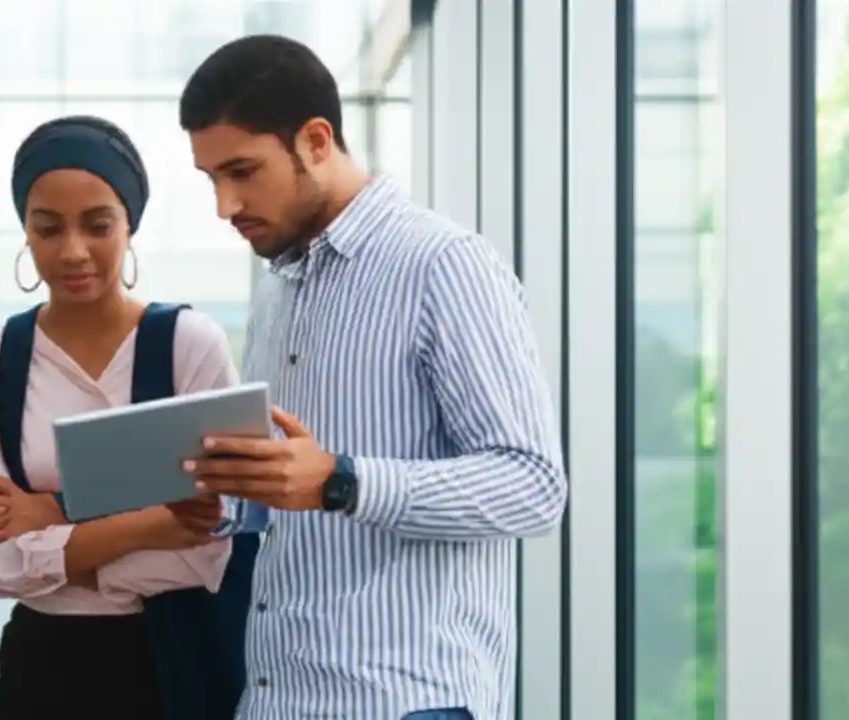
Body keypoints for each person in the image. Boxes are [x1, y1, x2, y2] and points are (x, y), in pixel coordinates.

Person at [174, 35, 569, 719]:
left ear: (317, 140)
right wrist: (223, 504)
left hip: (406, 701)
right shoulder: (278, 286)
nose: (225, 204)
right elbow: (289, 487)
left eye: (243, 171)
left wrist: (341, 480)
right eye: (211, 178)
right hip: (279, 699)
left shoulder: (445, 266)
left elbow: (533, 486)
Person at [0, 115, 256, 719]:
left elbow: (218, 537)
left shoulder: (187, 345)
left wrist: (50, 518)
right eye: (47, 228)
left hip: (178, 657)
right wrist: (155, 525)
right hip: (45, 666)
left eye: (97, 225)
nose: (72, 251)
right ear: (25, 233)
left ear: (129, 224)